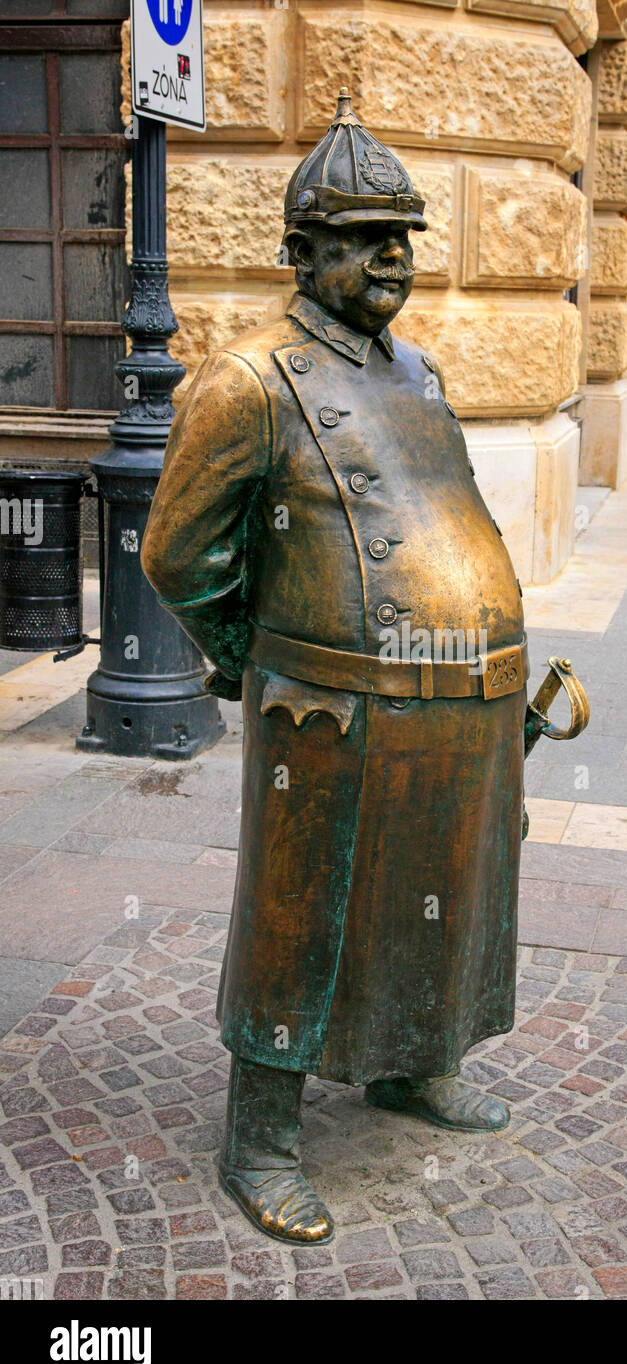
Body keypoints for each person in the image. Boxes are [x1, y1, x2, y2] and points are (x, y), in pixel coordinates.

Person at [141, 91, 530, 1246]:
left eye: (401, 238)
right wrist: (249, 654)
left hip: (455, 706)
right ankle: (259, 1134)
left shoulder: (418, 373)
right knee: (296, 915)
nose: (391, 261)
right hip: (328, 714)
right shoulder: (248, 379)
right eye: (364, 240)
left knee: (440, 890)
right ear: (300, 252)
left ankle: (412, 1059)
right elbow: (177, 552)